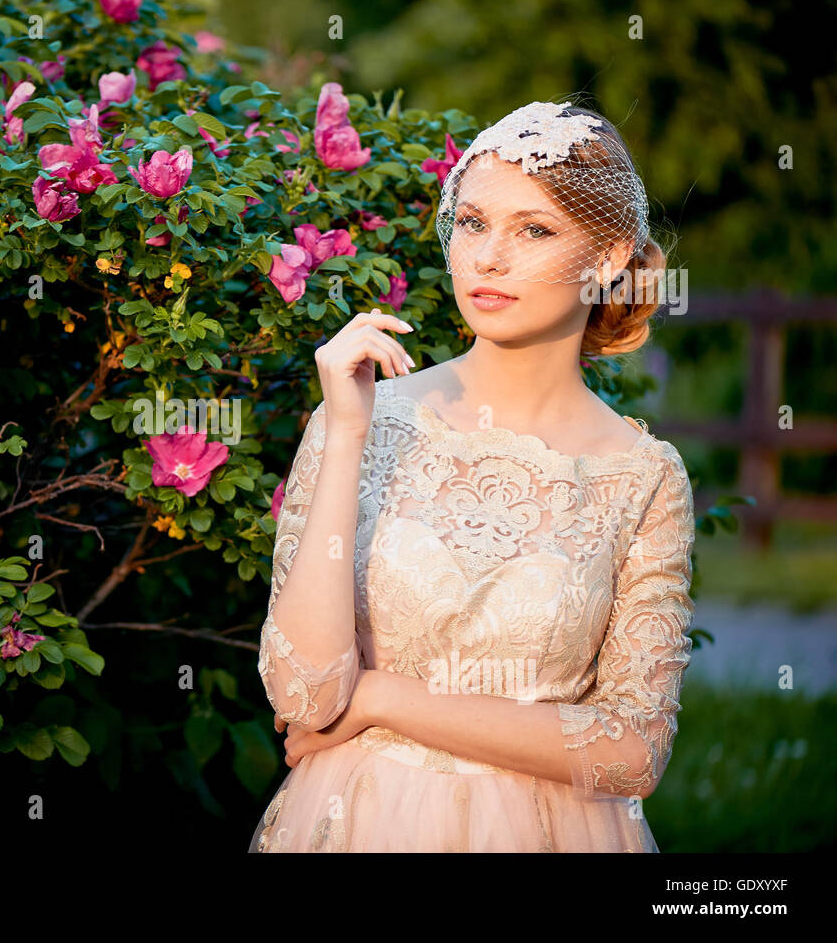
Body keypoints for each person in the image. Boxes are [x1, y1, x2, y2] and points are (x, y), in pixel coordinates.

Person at [250, 100, 696, 852]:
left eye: (534, 230)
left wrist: (384, 698)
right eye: (472, 222)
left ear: (611, 255)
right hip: (355, 824)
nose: (487, 257)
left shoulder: (643, 474)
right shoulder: (360, 414)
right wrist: (349, 432)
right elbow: (305, 696)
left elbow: (631, 750)